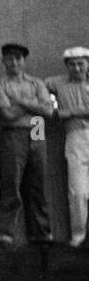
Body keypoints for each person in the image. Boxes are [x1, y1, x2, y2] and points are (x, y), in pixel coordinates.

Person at [0, 43, 53, 246]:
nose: (14, 62)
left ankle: (41, 233)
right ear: (3, 61)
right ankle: (5, 234)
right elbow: (6, 115)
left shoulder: (36, 83)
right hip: (13, 134)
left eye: (18, 58)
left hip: (37, 130)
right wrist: (33, 105)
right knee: (11, 184)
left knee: (38, 185)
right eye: (10, 58)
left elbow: (48, 111)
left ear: (24, 61)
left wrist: (21, 102)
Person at [47, 46, 89, 247]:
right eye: (72, 65)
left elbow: (69, 113)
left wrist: (70, 111)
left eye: (81, 64)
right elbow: (41, 93)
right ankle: (79, 234)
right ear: (66, 67)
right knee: (78, 191)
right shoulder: (57, 83)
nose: (77, 68)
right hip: (75, 138)